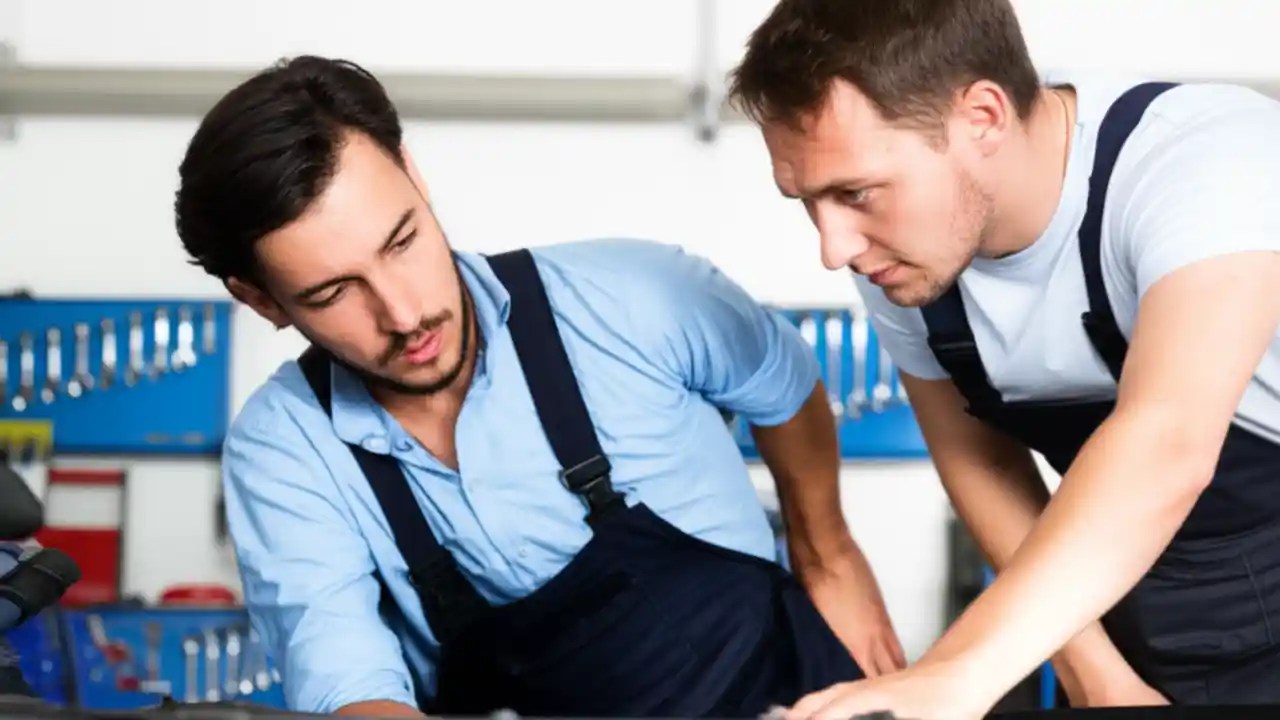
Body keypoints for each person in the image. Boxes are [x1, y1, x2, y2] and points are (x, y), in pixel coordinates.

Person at [173, 55, 905, 718]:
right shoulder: (283, 452)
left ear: (413, 172)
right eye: (334, 293)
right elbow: (346, 684)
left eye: (402, 242)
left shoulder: (634, 296)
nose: (404, 314)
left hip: (782, 696)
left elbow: (782, 384)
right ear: (264, 302)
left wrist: (827, 552)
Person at [728, 0, 1280, 717]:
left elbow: (1168, 441)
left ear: (982, 118)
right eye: (809, 202)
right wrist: (1098, 680)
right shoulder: (906, 257)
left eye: (855, 193)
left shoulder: (1205, 162)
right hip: (1158, 623)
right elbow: (983, 466)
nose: (834, 249)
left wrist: (955, 673)